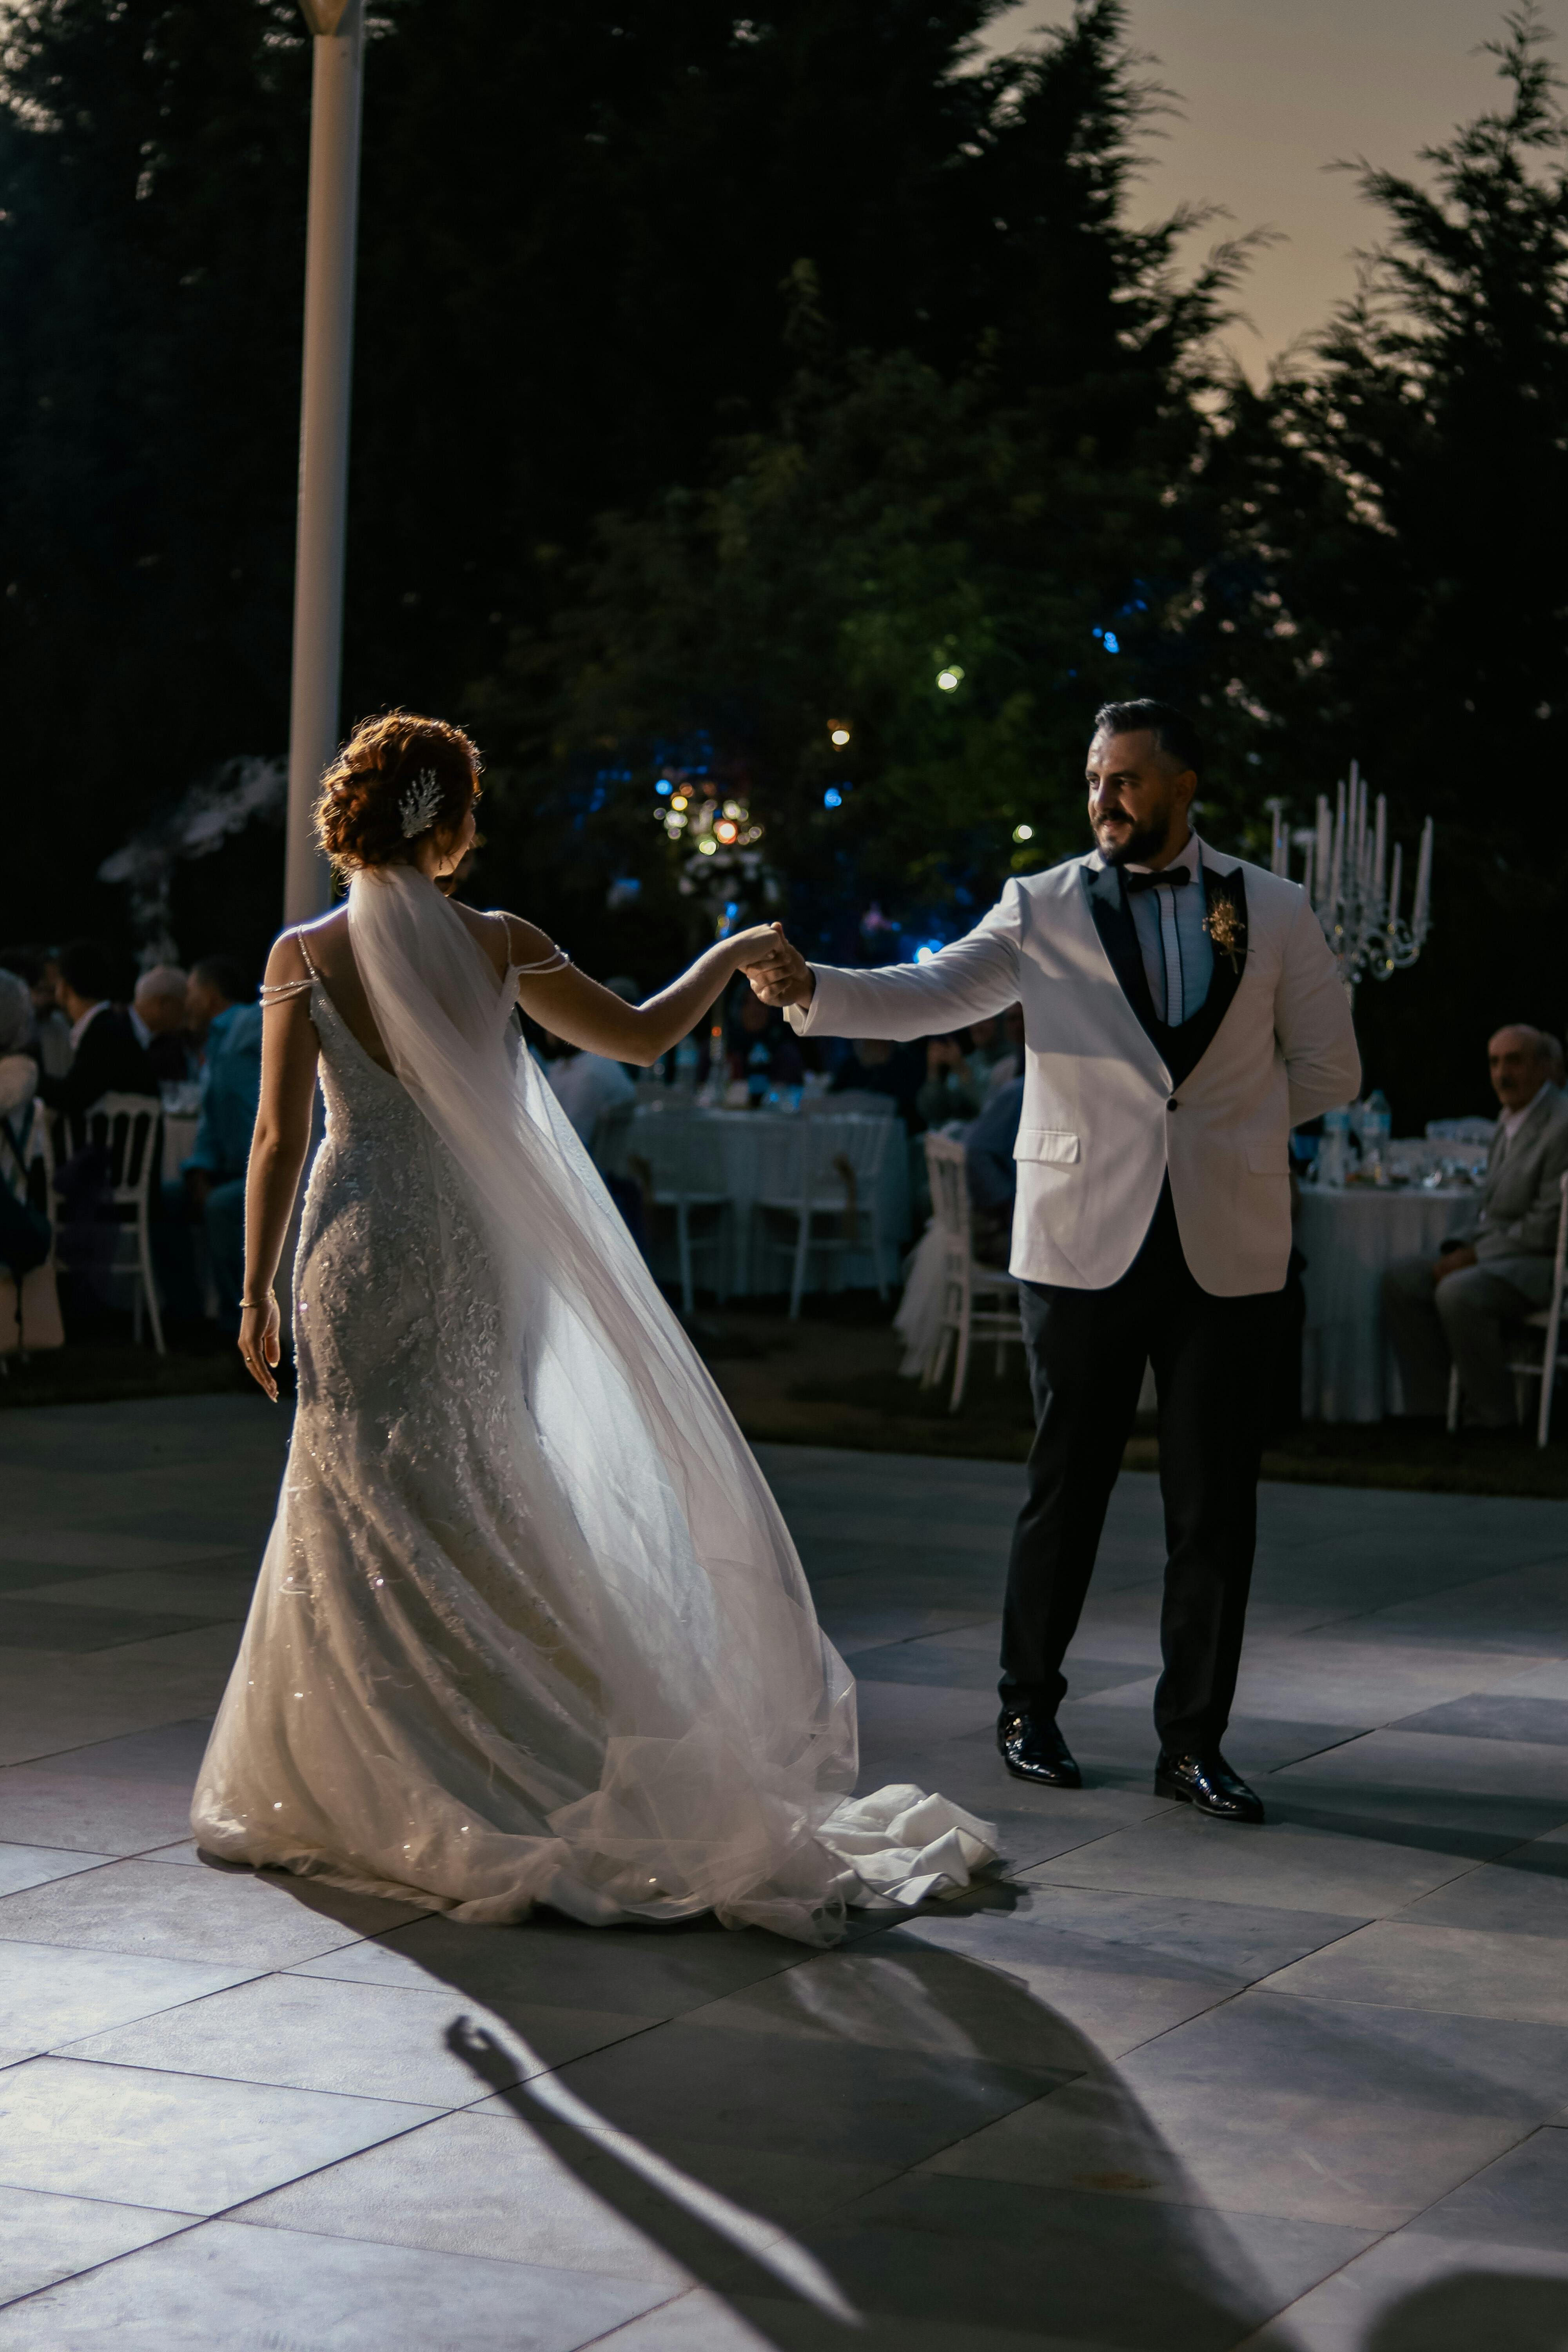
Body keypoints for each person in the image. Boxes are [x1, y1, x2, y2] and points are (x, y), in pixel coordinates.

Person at [191, 709, 991, 1941]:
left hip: (353, 1247)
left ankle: (376, 1766)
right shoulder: (500, 942)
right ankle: (520, 1740)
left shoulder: (302, 951)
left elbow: (275, 1139)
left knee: (355, 1480)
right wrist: (726, 953)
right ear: (444, 822)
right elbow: (640, 1033)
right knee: (482, 1470)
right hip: (470, 1251)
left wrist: (254, 1288)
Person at [749, 697, 1360, 1825]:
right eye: (1095, 780)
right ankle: (1029, 1708)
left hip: (1227, 1240)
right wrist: (814, 988)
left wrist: (1221, 1133)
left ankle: (1195, 1745)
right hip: (1083, 1237)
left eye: (1129, 778)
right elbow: (934, 991)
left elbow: (1330, 1068)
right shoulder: (1042, 905)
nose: (1106, 799)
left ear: (1185, 786)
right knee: (1063, 1486)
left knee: (1214, 1505)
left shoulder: (1273, 908)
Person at [1383, 1025, 1568, 1428]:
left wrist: (1474, 1256)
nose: (1502, 1073)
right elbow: (1492, 1211)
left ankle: (1493, 1417)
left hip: (1544, 1265)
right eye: (1495, 1062)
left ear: (1542, 1068)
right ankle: (1431, 1409)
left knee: (1457, 1292)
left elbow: (1548, 1225)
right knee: (1401, 1281)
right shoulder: (1510, 1119)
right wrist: (1458, 1247)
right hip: (1498, 1253)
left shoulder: (1560, 1125)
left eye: (1514, 1061)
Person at [37, 940, 156, 1116]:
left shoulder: (104, 1033)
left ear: (65, 987)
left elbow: (73, 1096)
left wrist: (27, 1077)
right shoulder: (110, 1025)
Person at [130, 965, 195, 1087]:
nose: (185, 1018)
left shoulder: (170, 1044)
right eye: (182, 1008)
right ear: (163, 1004)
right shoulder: (110, 1032)